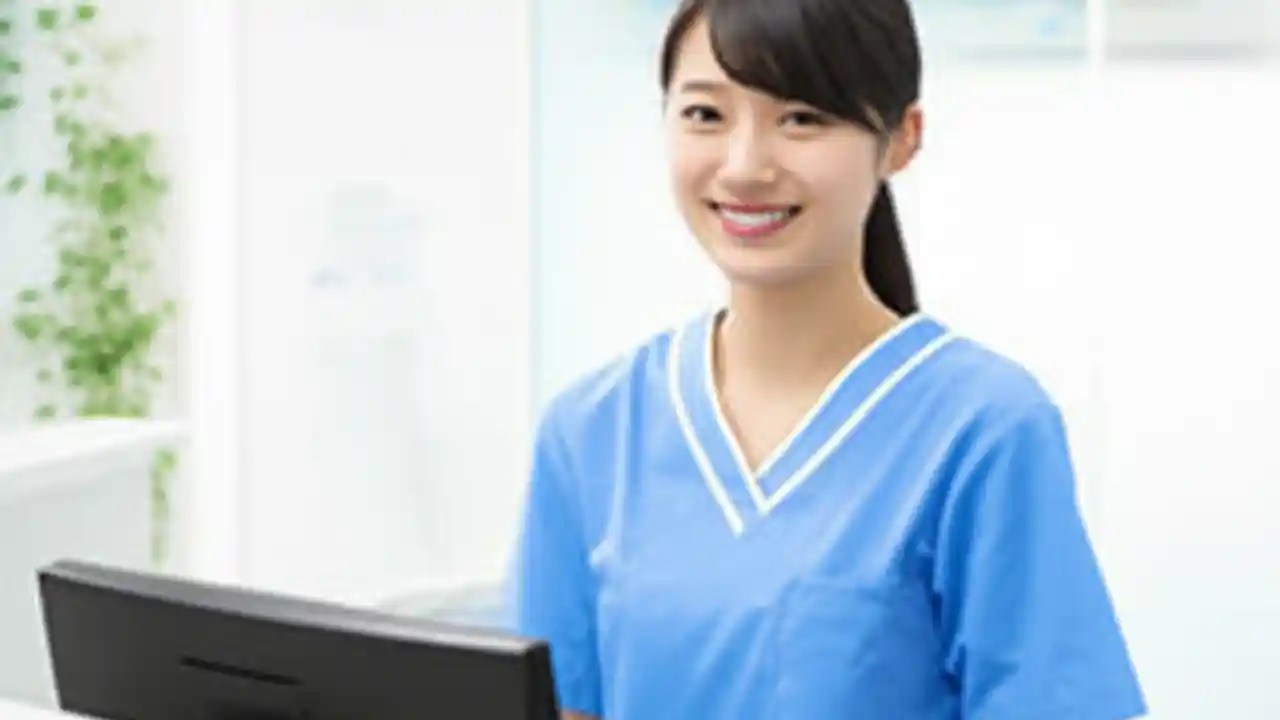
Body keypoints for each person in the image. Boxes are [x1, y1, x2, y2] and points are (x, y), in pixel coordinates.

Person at [508, 0, 1147, 718]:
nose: (745, 166)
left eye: (803, 117)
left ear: (902, 138)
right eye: (705, 116)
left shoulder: (984, 430)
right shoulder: (590, 432)